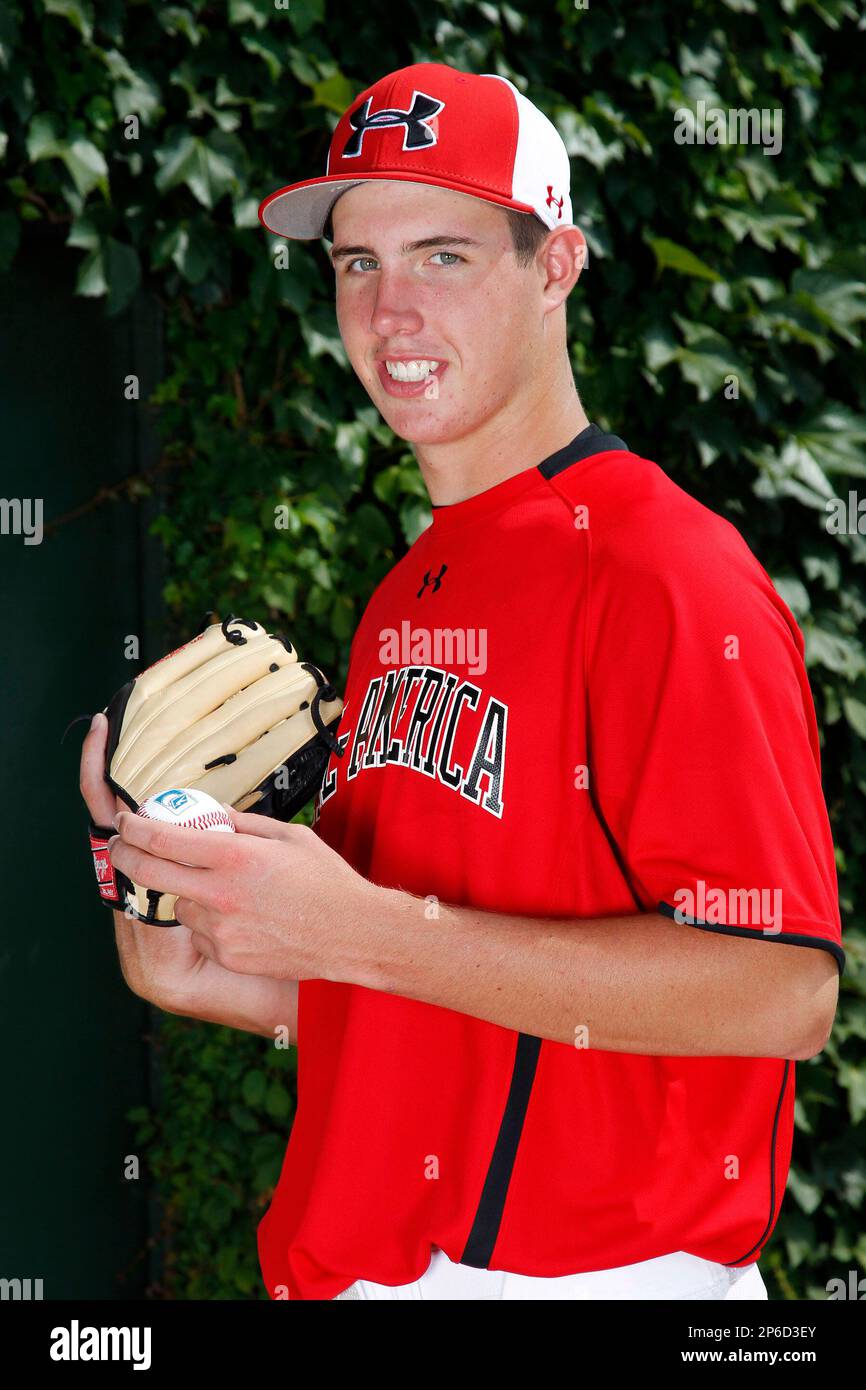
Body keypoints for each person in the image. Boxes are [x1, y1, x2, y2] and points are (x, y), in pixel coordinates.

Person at [81, 62, 843, 1302]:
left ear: (555, 266)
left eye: (442, 254)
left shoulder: (667, 572)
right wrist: (196, 946)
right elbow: (410, 991)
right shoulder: (402, 598)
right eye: (355, 264)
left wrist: (368, 932)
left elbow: (781, 989)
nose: (388, 313)